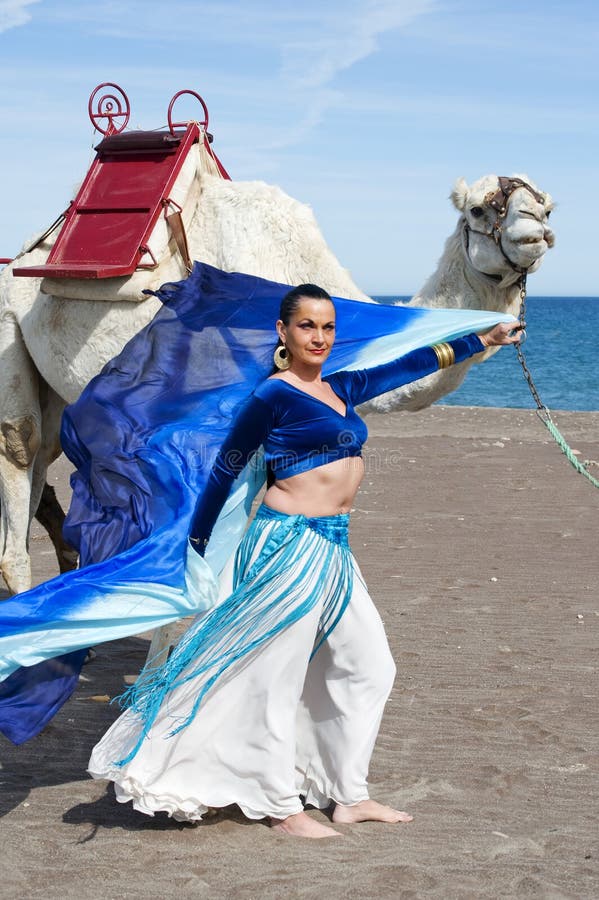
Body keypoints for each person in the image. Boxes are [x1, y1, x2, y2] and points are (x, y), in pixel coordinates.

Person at [88, 283, 522, 839]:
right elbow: (226, 469)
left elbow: (413, 364)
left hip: (334, 547)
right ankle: (279, 804)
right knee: (273, 676)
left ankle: (348, 795)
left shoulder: (342, 386)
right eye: (308, 326)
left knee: (369, 666)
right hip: (285, 548)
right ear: (283, 332)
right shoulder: (272, 397)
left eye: (328, 327)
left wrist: (481, 339)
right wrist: (196, 547)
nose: (319, 337)